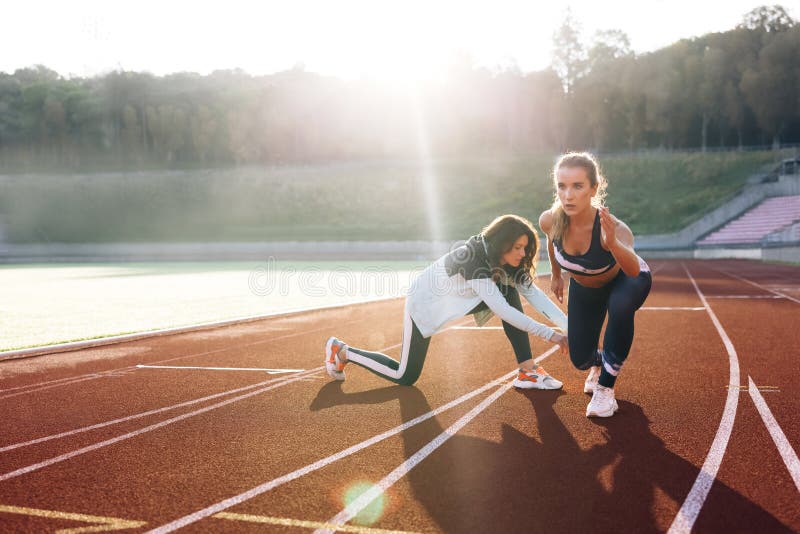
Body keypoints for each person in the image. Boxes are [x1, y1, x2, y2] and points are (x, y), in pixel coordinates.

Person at [325, 214, 569, 389]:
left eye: (525, 249)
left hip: (460, 299)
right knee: (405, 376)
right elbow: (502, 311)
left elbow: (536, 297)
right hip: (425, 303)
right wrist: (553, 335)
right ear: (501, 243)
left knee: (507, 289)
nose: (522, 254)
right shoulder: (472, 256)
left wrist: (570, 329)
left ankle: (527, 372)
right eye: (517, 247)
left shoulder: (506, 262)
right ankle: (343, 351)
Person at [539, 152, 652, 418]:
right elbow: (550, 241)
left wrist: (612, 244)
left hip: (626, 280)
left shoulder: (615, 229)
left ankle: (605, 390)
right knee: (579, 359)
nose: (568, 195)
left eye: (577, 186)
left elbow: (633, 270)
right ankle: (600, 363)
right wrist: (556, 275)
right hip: (586, 286)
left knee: (620, 305)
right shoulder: (549, 220)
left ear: (594, 188)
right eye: (562, 186)